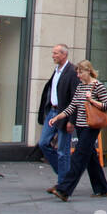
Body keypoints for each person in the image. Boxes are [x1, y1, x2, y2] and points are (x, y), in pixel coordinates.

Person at [47, 61, 107, 201]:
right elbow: (72, 106)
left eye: (80, 72)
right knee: (91, 158)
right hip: (80, 126)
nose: (78, 75)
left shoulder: (98, 86)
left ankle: (64, 190)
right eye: (77, 72)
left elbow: (106, 105)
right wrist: (57, 117)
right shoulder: (80, 86)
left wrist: (91, 100)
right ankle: (103, 188)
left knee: (78, 157)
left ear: (88, 71)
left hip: (92, 127)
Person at [37, 44, 78, 179]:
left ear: (64, 55)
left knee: (63, 150)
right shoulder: (57, 70)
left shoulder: (72, 71)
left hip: (64, 114)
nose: (53, 56)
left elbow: (74, 97)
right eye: (53, 53)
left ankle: (63, 183)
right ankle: (64, 174)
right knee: (43, 143)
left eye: (56, 53)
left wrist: (71, 120)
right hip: (52, 112)